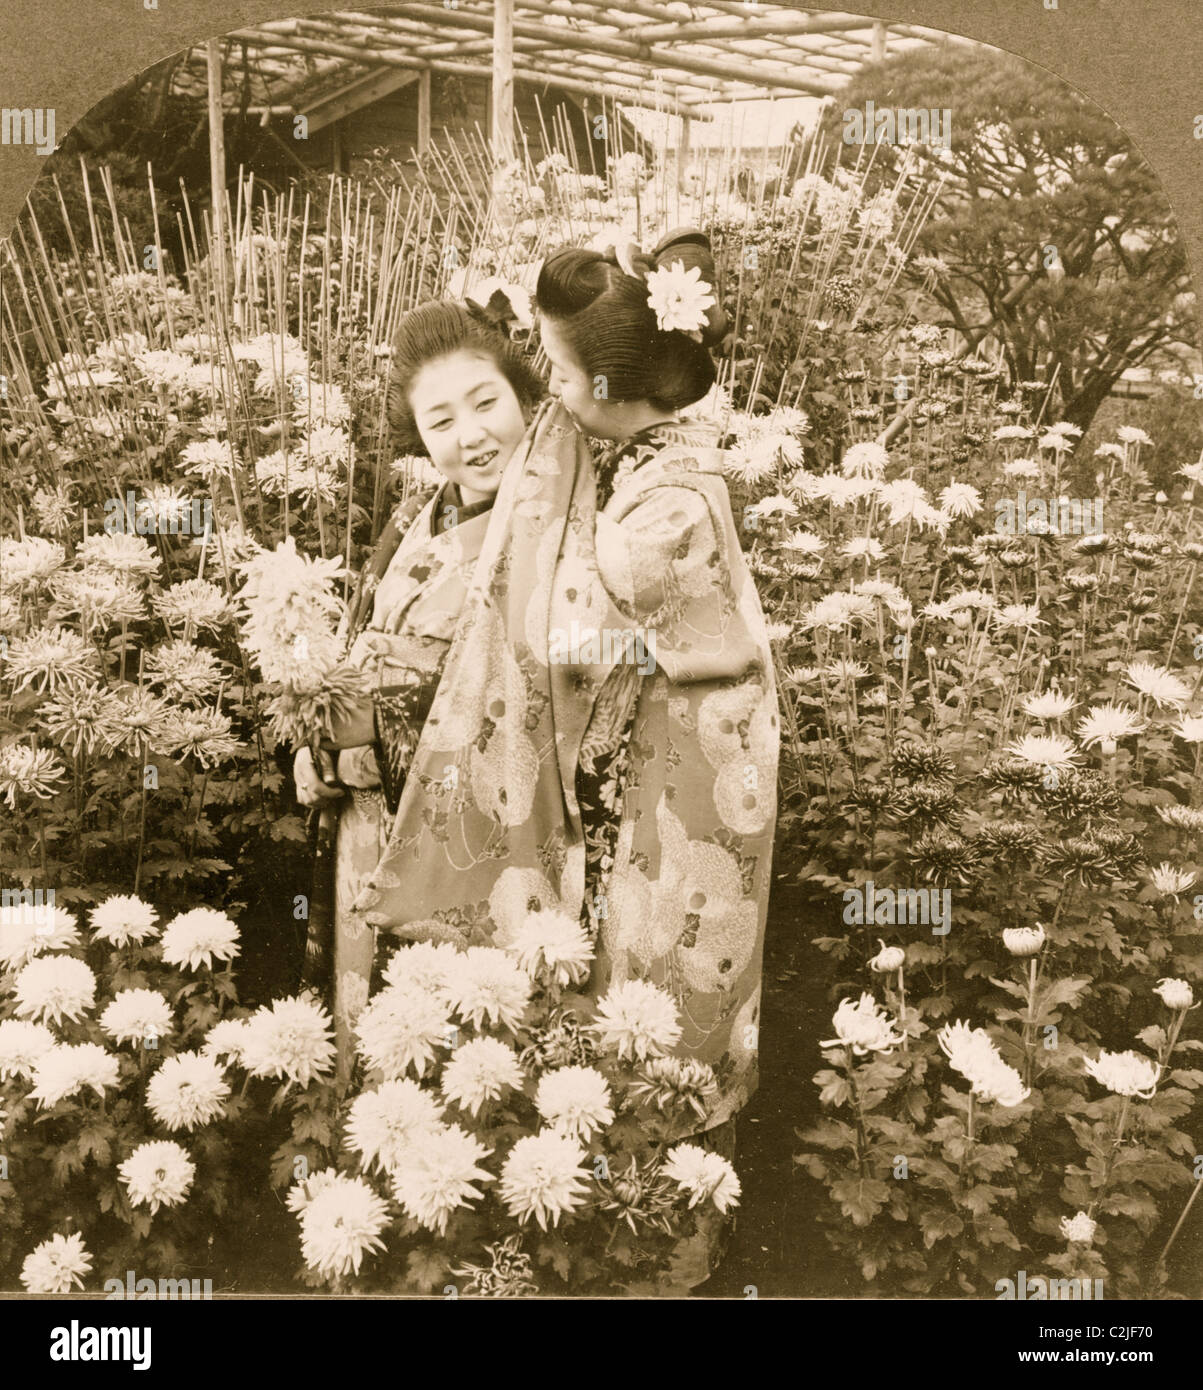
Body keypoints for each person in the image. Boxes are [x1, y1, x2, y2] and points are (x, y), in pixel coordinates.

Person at [349, 229, 780, 1286]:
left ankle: (666, 1254)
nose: (537, 388)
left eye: (544, 369)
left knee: (673, 996)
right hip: (682, 759)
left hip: (690, 784)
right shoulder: (664, 443)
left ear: (598, 387)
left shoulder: (654, 514)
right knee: (642, 991)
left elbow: (563, 636)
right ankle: (632, 1240)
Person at [292, 300, 543, 1080]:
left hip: (464, 815)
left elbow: (533, 679)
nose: (468, 436)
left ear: (525, 396)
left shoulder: (548, 525)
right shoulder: (415, 513)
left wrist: (373, 715)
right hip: (369, 805)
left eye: (485, 402)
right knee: (369, 1013)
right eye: (439, 422)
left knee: (454, 1027)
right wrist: (322, 728)